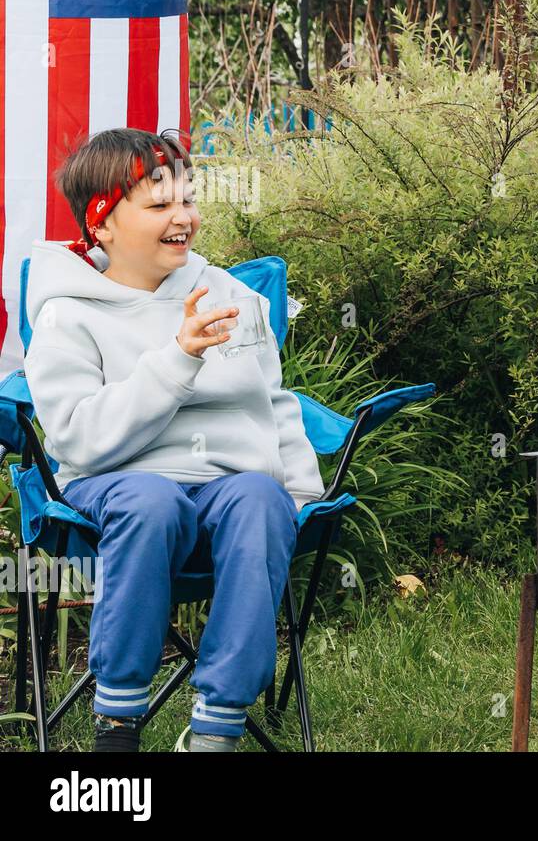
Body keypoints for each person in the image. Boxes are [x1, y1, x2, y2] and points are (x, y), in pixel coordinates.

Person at [24, 127, 325, 752]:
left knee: (263, 501)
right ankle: (119, 721)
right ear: (102, 224)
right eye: (159, 205)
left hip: (225, 491)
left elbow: (274, 403)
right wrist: (177, 358)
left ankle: (216, 727)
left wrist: (301, 492)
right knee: (149, 500)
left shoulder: (230, 296)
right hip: (116, 485)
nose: (182, 216)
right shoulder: (69, 313)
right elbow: (78, 439)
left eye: (186, 199)